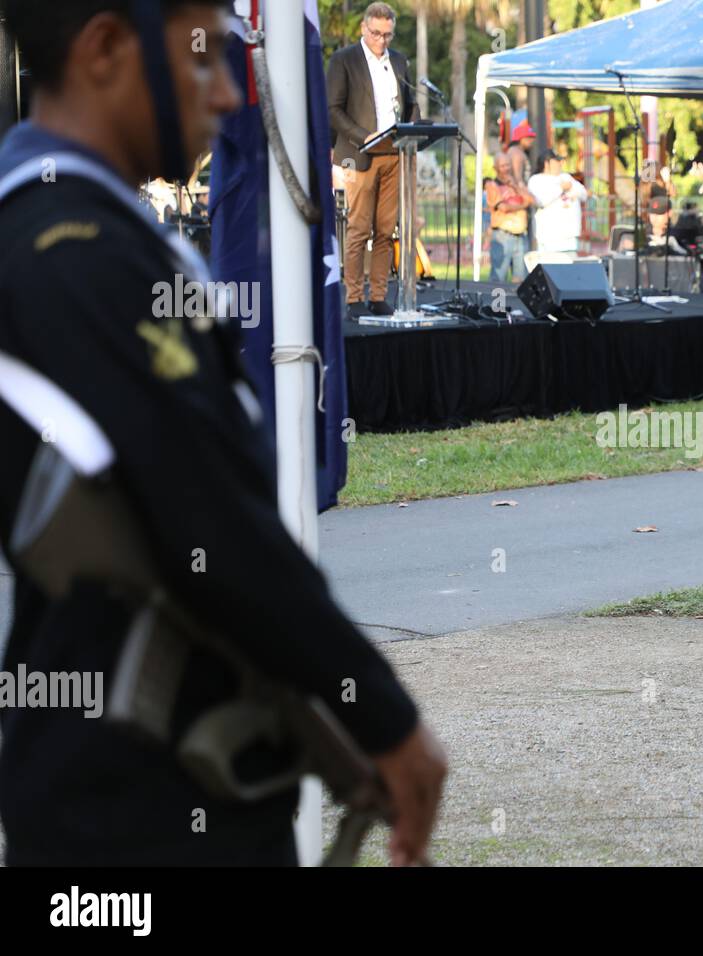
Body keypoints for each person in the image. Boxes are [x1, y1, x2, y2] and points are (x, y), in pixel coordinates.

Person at [0, 0, 448, 865]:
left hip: (172, 769)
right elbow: (209, 521)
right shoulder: (72, 247)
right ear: (103, 51)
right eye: (203, 60)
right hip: (135, 807)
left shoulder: (77, 228)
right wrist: (383, 717)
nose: (229, 94)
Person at [327, 1, 421, 319]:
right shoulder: (344, 60)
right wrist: (361, 135)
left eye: (388, 35)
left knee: (385, 229)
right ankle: (353, 296)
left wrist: (416, 127)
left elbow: (410, 102)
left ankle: (378, 295)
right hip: (360, 154)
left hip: (395, 153)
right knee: (358, 228)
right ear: (364, 29)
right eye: (376, 33)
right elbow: (333, 109)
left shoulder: (398, 61)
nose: (382, 40)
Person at [527, 149, 587, 255]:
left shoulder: (565, 177)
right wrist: (561, 188)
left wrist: (571, 189)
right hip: (550, 238)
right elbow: (541, 201)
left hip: (570, 236)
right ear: (546, 163)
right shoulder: (536, 180)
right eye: (557, 161)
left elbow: (583, 193)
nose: (560, 164)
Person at [486, 154, 532, 281]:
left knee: (521, 277)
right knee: (499, 276)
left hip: (520, 235)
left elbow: (530, 200)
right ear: (496, 168)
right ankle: (496, 301)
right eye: (503, 166)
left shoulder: (517, 184)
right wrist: (523, 206)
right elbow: (503, 208)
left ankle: (515, 301)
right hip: (503, 235)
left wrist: (515, 186)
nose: (506, 168)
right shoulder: (492, 185)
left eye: (508, 165)